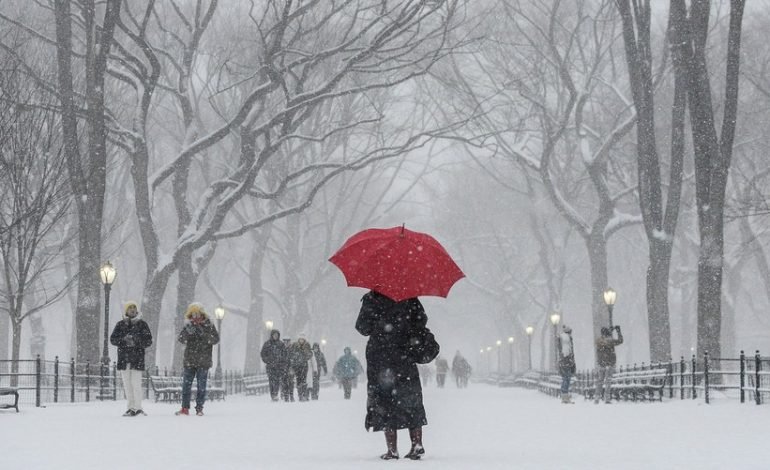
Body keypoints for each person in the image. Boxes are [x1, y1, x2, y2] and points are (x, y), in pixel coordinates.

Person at [356, 290, 440, 460]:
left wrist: (380, 322)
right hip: (405, 357)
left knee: (385, 402)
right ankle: (417, 444)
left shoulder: (372, 298)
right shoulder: (409, 297)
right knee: (411, 400)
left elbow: (362, 328)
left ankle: (392, 450)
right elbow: (421, 322)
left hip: (381, 359)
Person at [175, 302, 220, 416]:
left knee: (201, 386)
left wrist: (204, 335)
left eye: (197, 313)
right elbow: (181, 338)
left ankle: (199, 408)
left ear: (201, 313)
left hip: (203, 361)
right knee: (186, 385)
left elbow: (215, 339)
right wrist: (188, 334)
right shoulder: (188, 325)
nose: (195, 316)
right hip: (190, 360)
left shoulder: (209, 325)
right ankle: (185, 408)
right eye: (193, 314)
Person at [109, 301, 153, 416]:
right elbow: (113, 339)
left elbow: (148, 341)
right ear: (126, 311)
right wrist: (124, 340)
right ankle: (130, 407)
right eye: (130, 308)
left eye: (134, 308)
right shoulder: (120, 324)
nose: (132, 310)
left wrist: (135, 340)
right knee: (127, 385)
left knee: (136, 384)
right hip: (124, 359)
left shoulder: (142, 324)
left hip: (137, 359)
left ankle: (138, 408)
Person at [594, 325, 624, 404]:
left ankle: (597, 397)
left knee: (600, 381)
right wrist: (618, 332)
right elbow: (620, 341)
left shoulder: (599, 341)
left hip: (601, 364)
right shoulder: (610, 341)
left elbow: (602, 347)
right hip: (610, 363)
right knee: (608, 382)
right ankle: (607, 398)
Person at [260, 329, 288, 402]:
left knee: (277, 381)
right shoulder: (267, 344)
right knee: (271, 381)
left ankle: (275, 394)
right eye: (274, 335)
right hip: (270, 367)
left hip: (279, 367)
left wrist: (282, 362)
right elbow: (263, 354)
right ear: (272, 335)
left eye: (277, 335)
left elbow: (285, 355)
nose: (275, 336)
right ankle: (273, 395)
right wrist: (268, 360)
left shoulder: (281, 344)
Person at [288, 334, 313, 401]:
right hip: (297, 366)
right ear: (298, 339)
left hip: (304, 366)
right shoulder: (295, 345)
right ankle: (300, 395)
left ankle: (304, 394)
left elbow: (310, 354)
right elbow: (291, 354)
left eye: (302, 339)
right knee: (299, 380)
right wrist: (295, 358)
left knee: (304, 380)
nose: (301, 340)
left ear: (304, 340)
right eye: (300, 339)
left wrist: (306, 354)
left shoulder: (307, 345)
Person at [558, 325, 576, 404]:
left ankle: (564, 396)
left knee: (566, 379)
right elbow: (567, 352)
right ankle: (565, 397)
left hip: (564, 362)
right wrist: (571, 361)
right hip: (566, 362)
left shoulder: (563, 339)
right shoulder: (566, 339)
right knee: (566, 379)